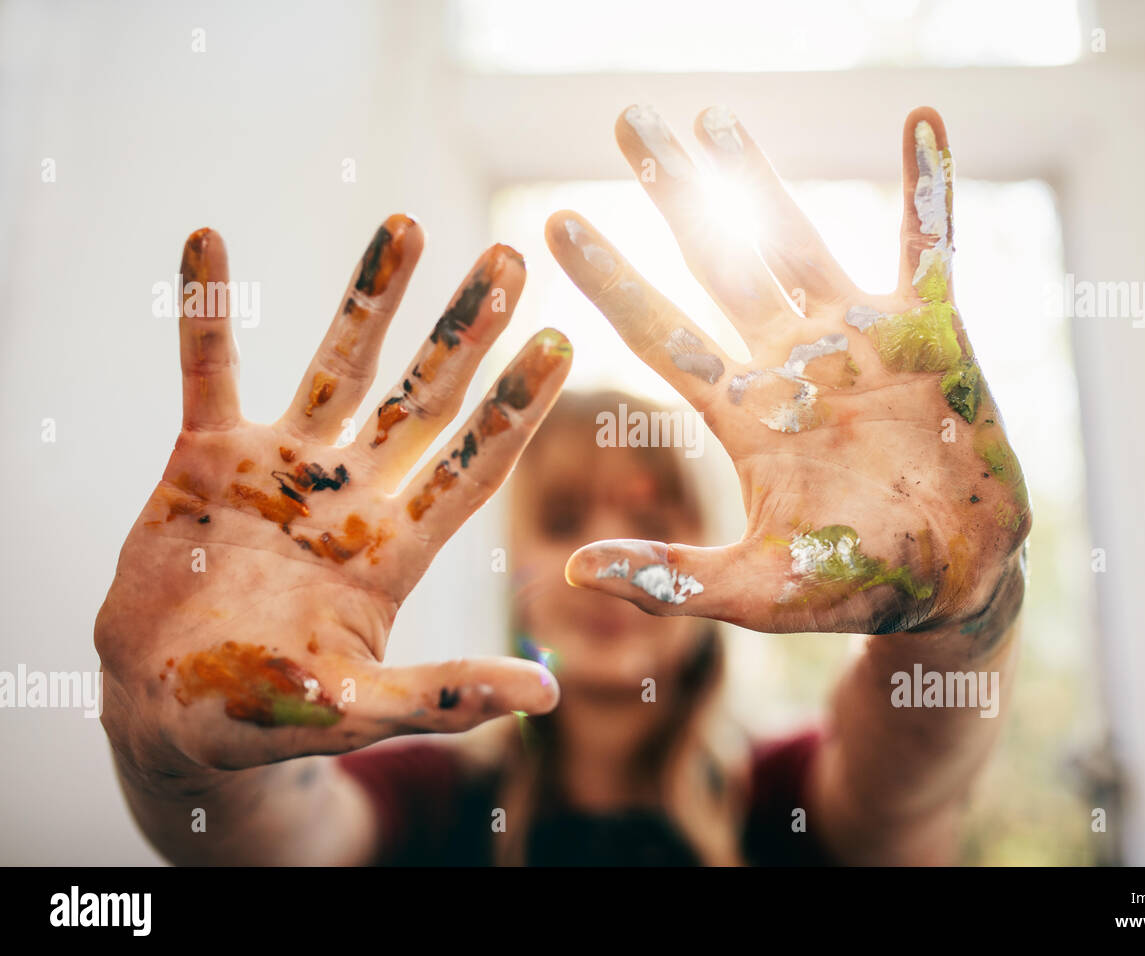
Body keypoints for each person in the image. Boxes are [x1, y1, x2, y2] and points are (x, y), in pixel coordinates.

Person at [94, 105, 1029, 865]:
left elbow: (912, 780)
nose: (611, 554)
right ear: (512, 561)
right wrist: (167, 762)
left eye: (655, 515)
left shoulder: (787, 797)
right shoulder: (423, 801)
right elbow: (268, 842)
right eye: (565, 516)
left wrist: (961, 613)